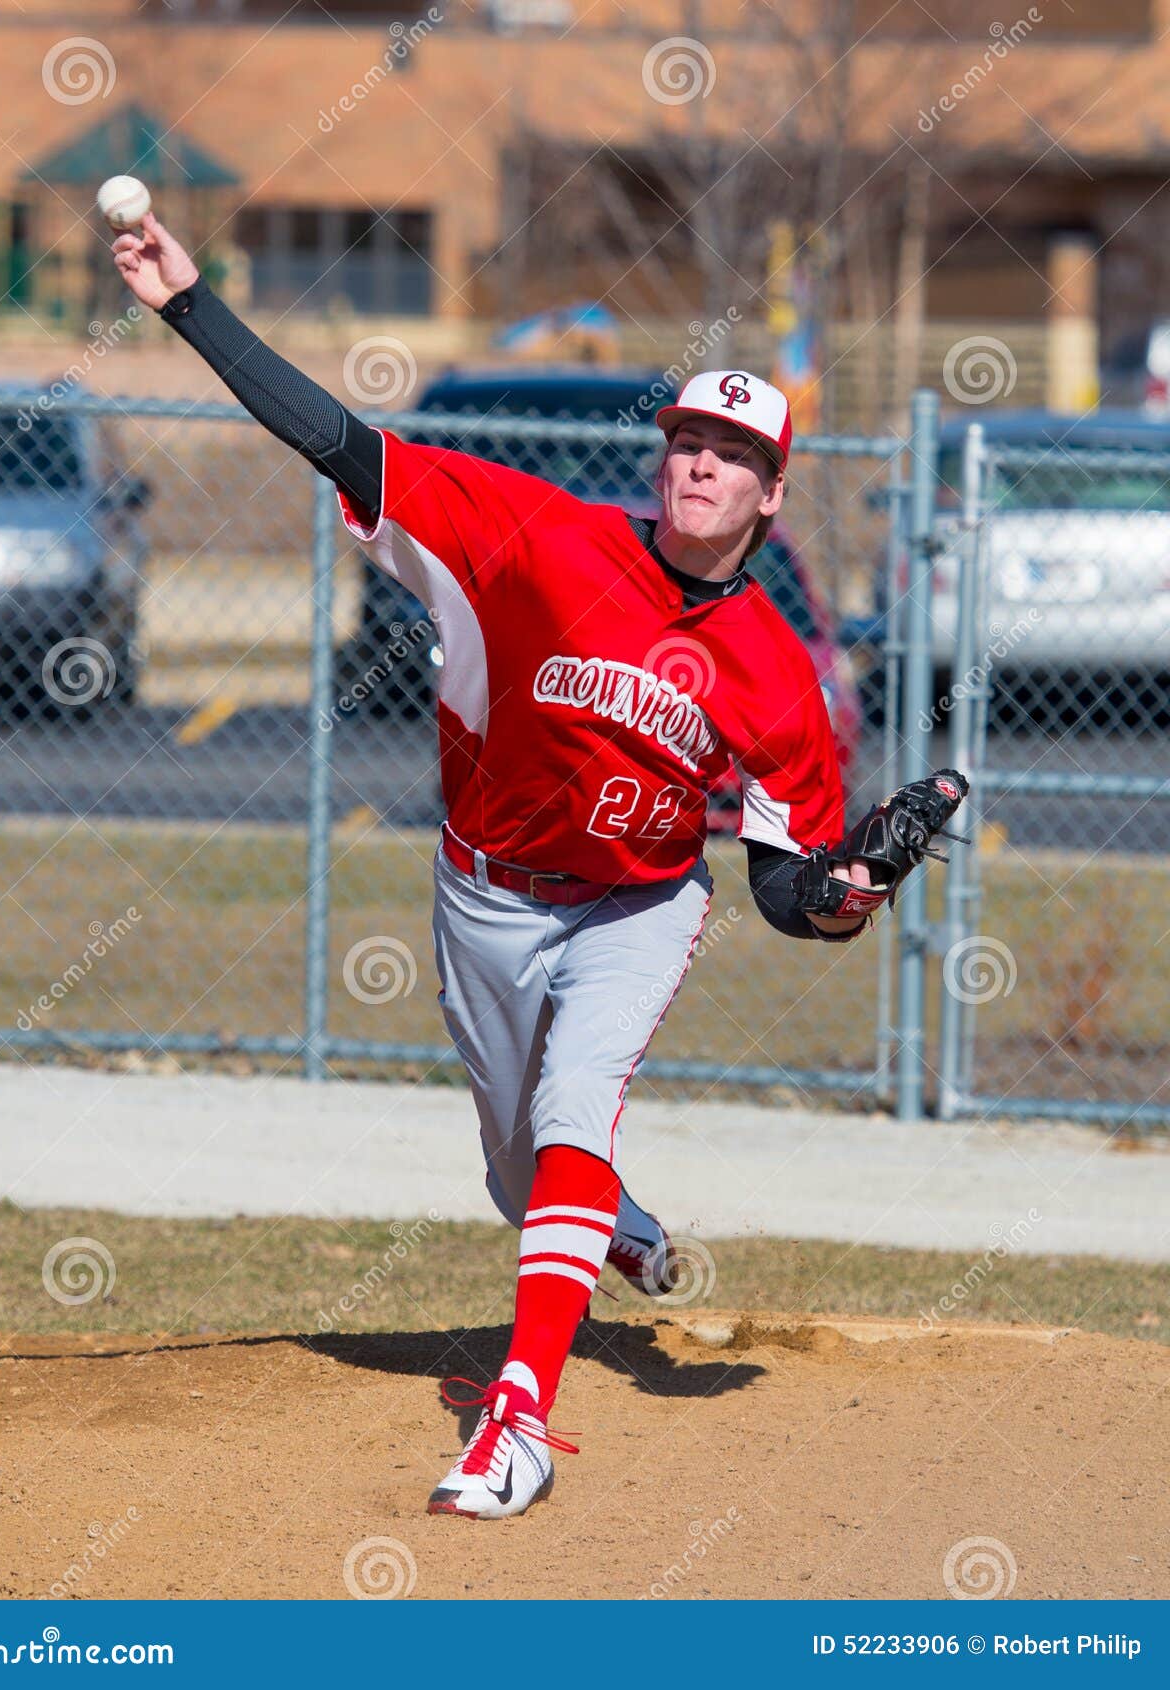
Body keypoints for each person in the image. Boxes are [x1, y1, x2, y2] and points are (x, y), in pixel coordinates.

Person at [112, 215, 967, 1521]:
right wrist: (189, 307)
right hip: (486, 893)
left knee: (575, 1106)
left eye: (736, 453)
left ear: (772, 492)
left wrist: (845, 899)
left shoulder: (778, 675)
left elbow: (786, 886)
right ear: (663, 453)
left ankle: (518, 1417)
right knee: (520, 1175)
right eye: (690, 438)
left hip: (642, 901)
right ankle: (611, 1223)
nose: (703, 463)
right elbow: (337, 437)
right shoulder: (530, 535)